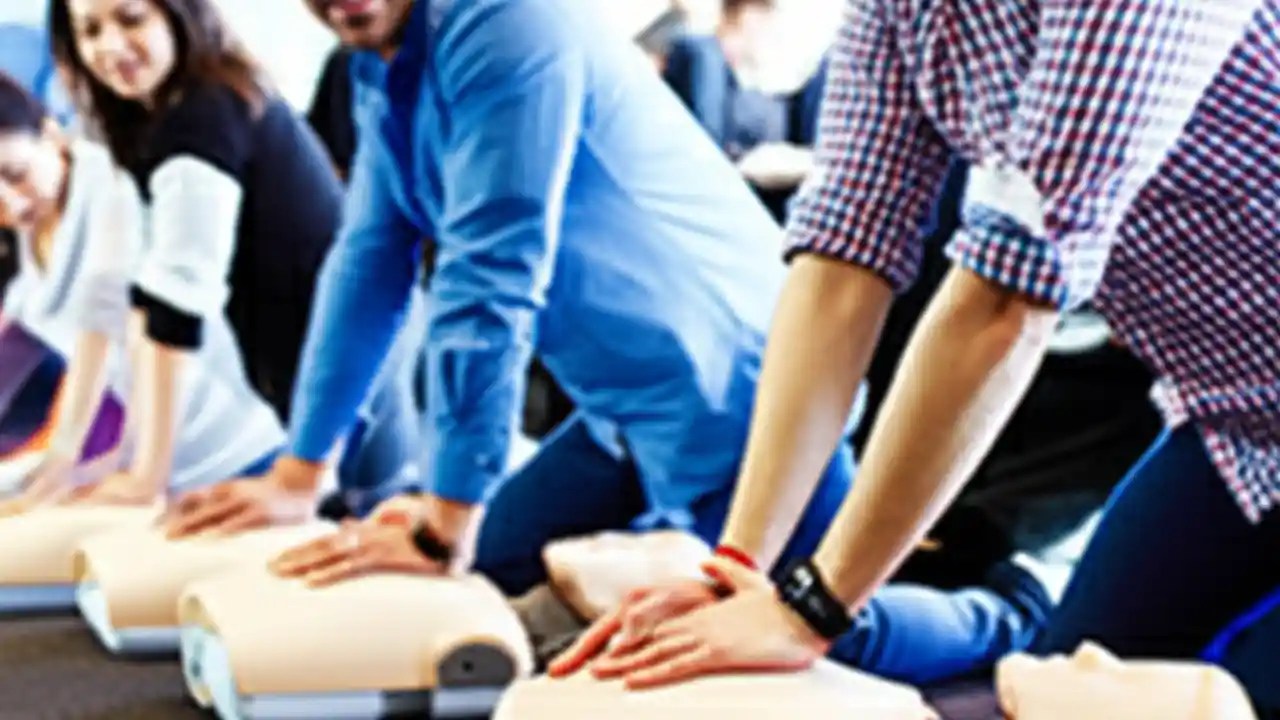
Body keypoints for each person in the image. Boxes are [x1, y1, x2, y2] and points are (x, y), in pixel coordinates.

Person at [551, 0, 1279, 700]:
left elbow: (1008, 294)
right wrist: (739, 568)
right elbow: (843, 256)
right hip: (1233, 427)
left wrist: (813, 607)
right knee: (1053, 683)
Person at [163, 0, 860, 601]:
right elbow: (369, 261)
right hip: (618, 415)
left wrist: (444, 523)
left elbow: (489, 273)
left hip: (748, 405)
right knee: (487, 574)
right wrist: (300, 473)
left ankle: (976, 626)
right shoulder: (383, 66)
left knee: (808, 627)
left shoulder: (508, 19)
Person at [13, 0, 345, 512]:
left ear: (180, 15)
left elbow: (175, 304)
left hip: (336, 403)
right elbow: (122, 306)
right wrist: (98, 457)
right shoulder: (148, 122)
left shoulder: (203, 119)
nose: (111, 47)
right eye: (91, 31)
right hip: (293, 399)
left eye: (130, 19)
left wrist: (147, 476)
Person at [662, 0, 827, 221]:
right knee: (702, 49)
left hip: (795, 166)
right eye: (765, 20)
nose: (773, 33)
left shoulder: (764, 85)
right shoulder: (705, 55)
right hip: (739, 175)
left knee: (834, 59)